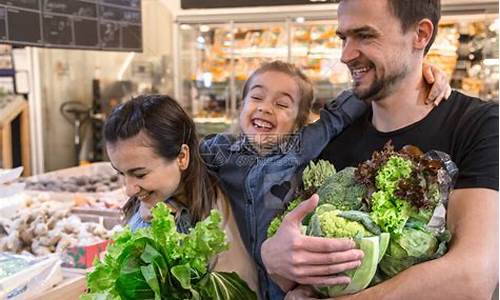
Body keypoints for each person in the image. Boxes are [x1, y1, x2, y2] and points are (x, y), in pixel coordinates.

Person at [261, 1, 499, 299]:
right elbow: (296, 271)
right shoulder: (334, 134)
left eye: (365, 35)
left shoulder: (478, 124)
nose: (345, 55)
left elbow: (474, 275)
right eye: (343, 38)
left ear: (421, 35)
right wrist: (275, 259)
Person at [201, 60, 451, 299]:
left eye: (282, 104)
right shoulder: (219, 150)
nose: (265, 107)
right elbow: (180, 160)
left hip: (287, 284)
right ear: (241, 105)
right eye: (256, 97)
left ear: (300, 121)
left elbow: (340, 113)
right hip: (236, 282)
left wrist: (411, 74)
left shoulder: (303, 145)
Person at [103, 95, 258, 293]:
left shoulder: (211, 214)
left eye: (140, 174)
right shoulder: (158, 201)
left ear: (182, 157)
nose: (128, 189)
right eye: (120, 173)